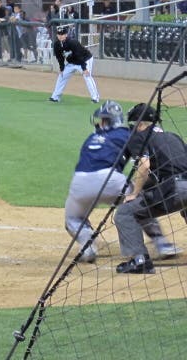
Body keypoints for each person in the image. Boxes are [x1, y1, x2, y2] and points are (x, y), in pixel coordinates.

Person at [65, 101, 177, 263]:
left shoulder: (91, 137)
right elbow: (142, 164)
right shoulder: (127, 134)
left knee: (73, 219)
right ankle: (162, 243)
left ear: (105, 121)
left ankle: (87, 247)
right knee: (139, 205)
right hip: (112, 181)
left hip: (80, 182)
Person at [113, 103, 187, 273]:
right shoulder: (172, 136)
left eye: (133, 125)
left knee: (126, 213)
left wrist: (135, 193)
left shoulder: (140, 136)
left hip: (175, 187)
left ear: (140, 124)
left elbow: (144, 166)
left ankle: (140, 261)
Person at [49, 25, 100, 103]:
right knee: (62, 76)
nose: (61, 36)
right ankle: (55, 97)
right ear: (57, 35)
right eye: (59, 34)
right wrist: (62, 68)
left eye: (62, 34)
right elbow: (60, 58)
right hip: (72, 62)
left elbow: (79, 55)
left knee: (87, 76)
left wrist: (84, 68)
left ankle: (95, 98)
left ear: (66, 35)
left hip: (85, 60)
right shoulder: (56, 44)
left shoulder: (72, 42)